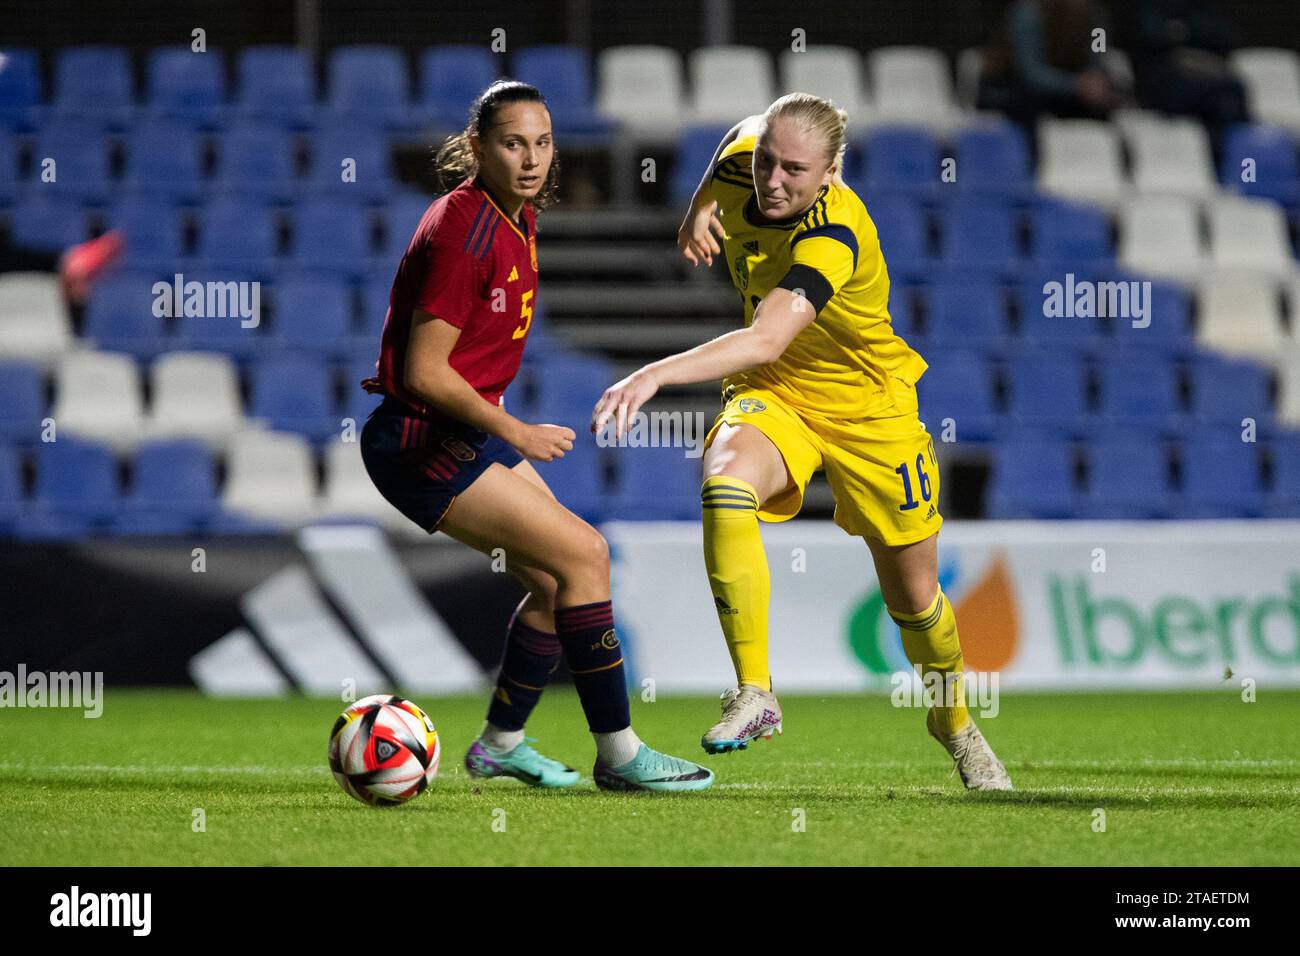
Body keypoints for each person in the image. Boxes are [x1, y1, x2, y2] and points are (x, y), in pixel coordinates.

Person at [591, 93, 1012, 790]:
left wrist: (655, 374)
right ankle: (754, 691)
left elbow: (764, 334)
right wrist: (699, 206)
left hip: (868, 412)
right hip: (777, 392)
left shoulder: (832, 233)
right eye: (766, 162)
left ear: (831, 173)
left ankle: (955, 723)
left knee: (915, 602)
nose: (773, 180)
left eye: (794, 169)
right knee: (724, 482)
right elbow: (738, 136)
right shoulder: (745, 161)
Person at [358, 80, 713, 792]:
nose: (530, 159)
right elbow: (425, 371)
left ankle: (501, 743)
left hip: (459, 431)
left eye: (543, 143)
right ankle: (620, 756)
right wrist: (513, 427)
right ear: (478, 147)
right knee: (586, 555)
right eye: (513, 143)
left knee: (557, 582)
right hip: (421, 441)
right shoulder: (467, 229)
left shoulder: (513, 216)